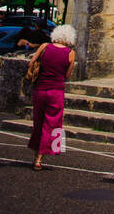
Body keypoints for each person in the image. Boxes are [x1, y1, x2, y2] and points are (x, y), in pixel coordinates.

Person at [25, 24, 76, 170]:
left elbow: (31, 62)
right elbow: (67, 75)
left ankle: (36, 156)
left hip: (41, 89)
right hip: (56, 91)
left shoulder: (45, 46)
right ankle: (42, 156)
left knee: (38, 123)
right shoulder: (70, 53)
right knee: (52, 124)